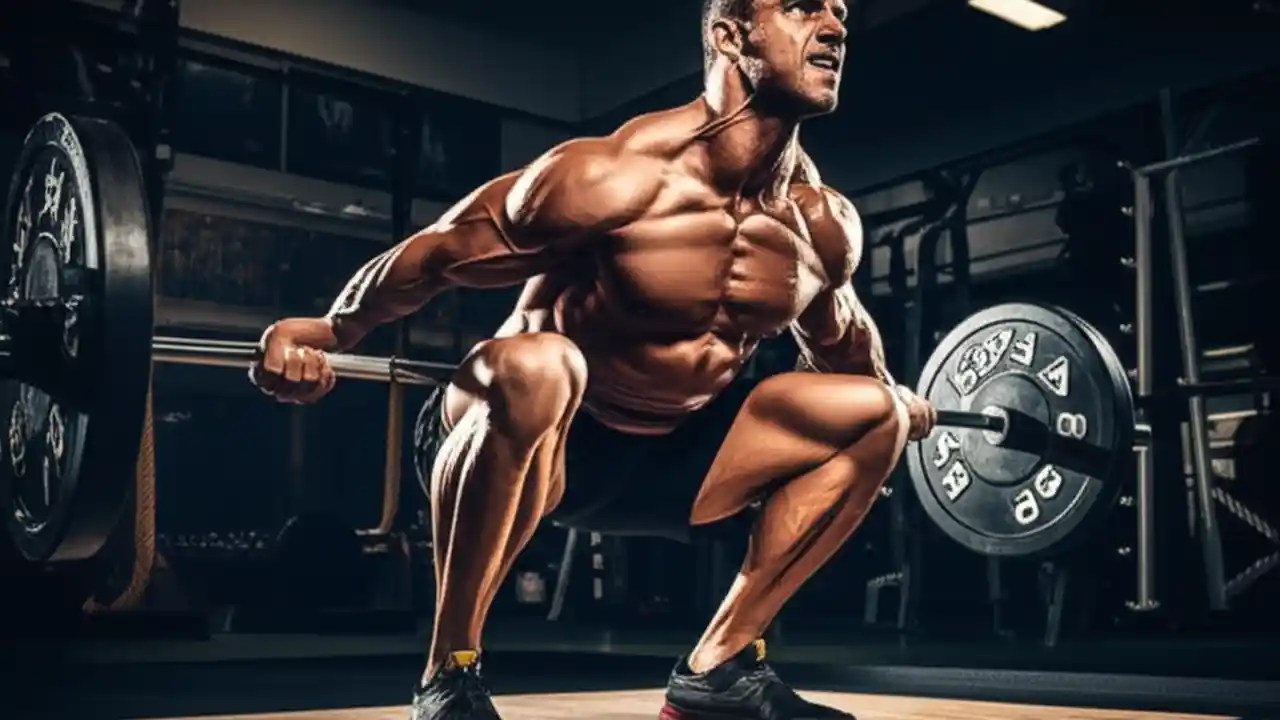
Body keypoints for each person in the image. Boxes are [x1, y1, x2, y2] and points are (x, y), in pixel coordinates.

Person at [250, 0, 937, 717]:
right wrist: (328, 331)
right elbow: (438, 254)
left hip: (670, 458)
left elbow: (844, 346)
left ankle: (719, 669)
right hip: (523, 440)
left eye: (838, 11)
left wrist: (896, 400)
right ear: (730, 36)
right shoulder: (615, 175)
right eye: (800, 7)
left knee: (876, 415)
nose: (834, 26)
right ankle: (448, 672)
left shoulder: (819, 222)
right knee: (543, 366)